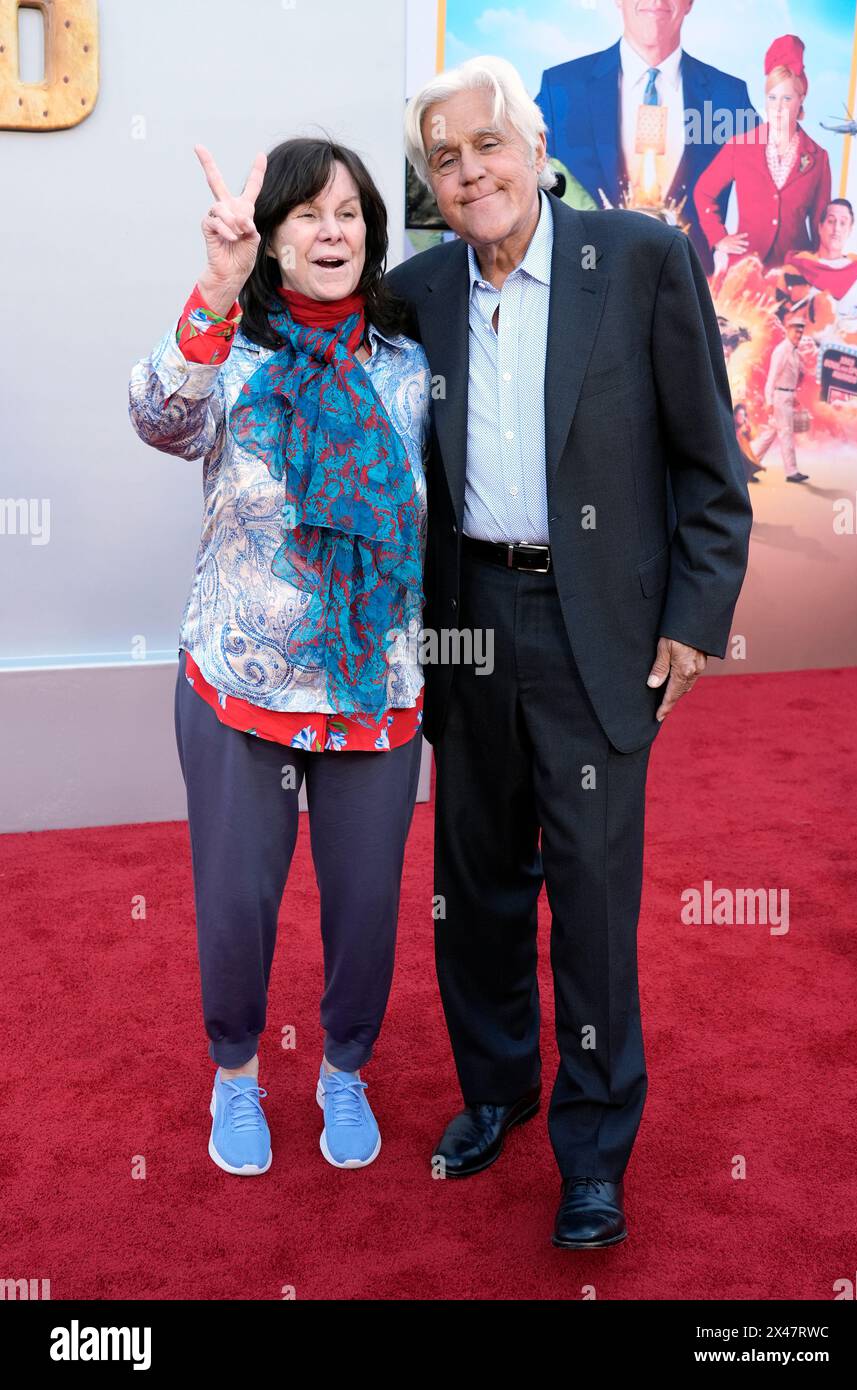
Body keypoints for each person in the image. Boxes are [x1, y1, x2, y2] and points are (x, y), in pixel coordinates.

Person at [391, 55, 752, 1248]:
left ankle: (593, 1152)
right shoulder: (419, 291)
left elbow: (712, 465)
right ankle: (498, 1088)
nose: (468, 173)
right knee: (475, 888)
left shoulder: (641, 260)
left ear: (533, 144)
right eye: (444, 159)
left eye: (484, 145)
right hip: (464, 622)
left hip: (593, 626)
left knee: (591, 906)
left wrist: (696, 615)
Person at [128, 138, 431, 1175]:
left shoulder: (407, 365)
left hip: (374, 684)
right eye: (306, 214)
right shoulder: (233, 359)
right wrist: (212, 290)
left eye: (349, 212)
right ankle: (237, 1076)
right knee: (238, 900)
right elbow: (157, 416)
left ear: (372, 234)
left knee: (365, 906)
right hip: (235, 681)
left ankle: (343, 1068)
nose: (331, 231)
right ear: (272, 240)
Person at [535, 0, 760, 273]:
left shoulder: (730, 97)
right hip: (587, 282)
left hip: (694, 295)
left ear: (689, 3)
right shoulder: (561, 88)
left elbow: (767, 187)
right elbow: (525, 174)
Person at [694, 34, 831, 274]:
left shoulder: (819, 158)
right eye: (772, 98)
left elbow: (820, 221)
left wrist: (817, 272)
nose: (777, 107)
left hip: (793, 274)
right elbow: (704, 191)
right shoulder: (740, 146)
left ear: (801, 99)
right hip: (745, 270)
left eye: (787, 98)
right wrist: (719, 238)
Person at [771, 199, 857, 352]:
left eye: (843, 223)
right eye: (831, 221)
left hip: (853, 366)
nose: (836, 229)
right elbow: (777, 321)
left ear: (850, 230)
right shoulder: (793, 271)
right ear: (820, 227)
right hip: (805, 362)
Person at [752, 316, 810, 482]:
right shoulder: (782, 350)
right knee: (785, 433)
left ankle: (746, 465)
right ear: (788, 330)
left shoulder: (793, 351)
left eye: (801, 331)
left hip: (786, 396)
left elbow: (789, 378)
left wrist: (794, 396)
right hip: (779, 398)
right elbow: (772, 377)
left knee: (770, 434)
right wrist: (769, 401)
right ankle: (791, 472)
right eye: (796, 330)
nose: (799, 334)